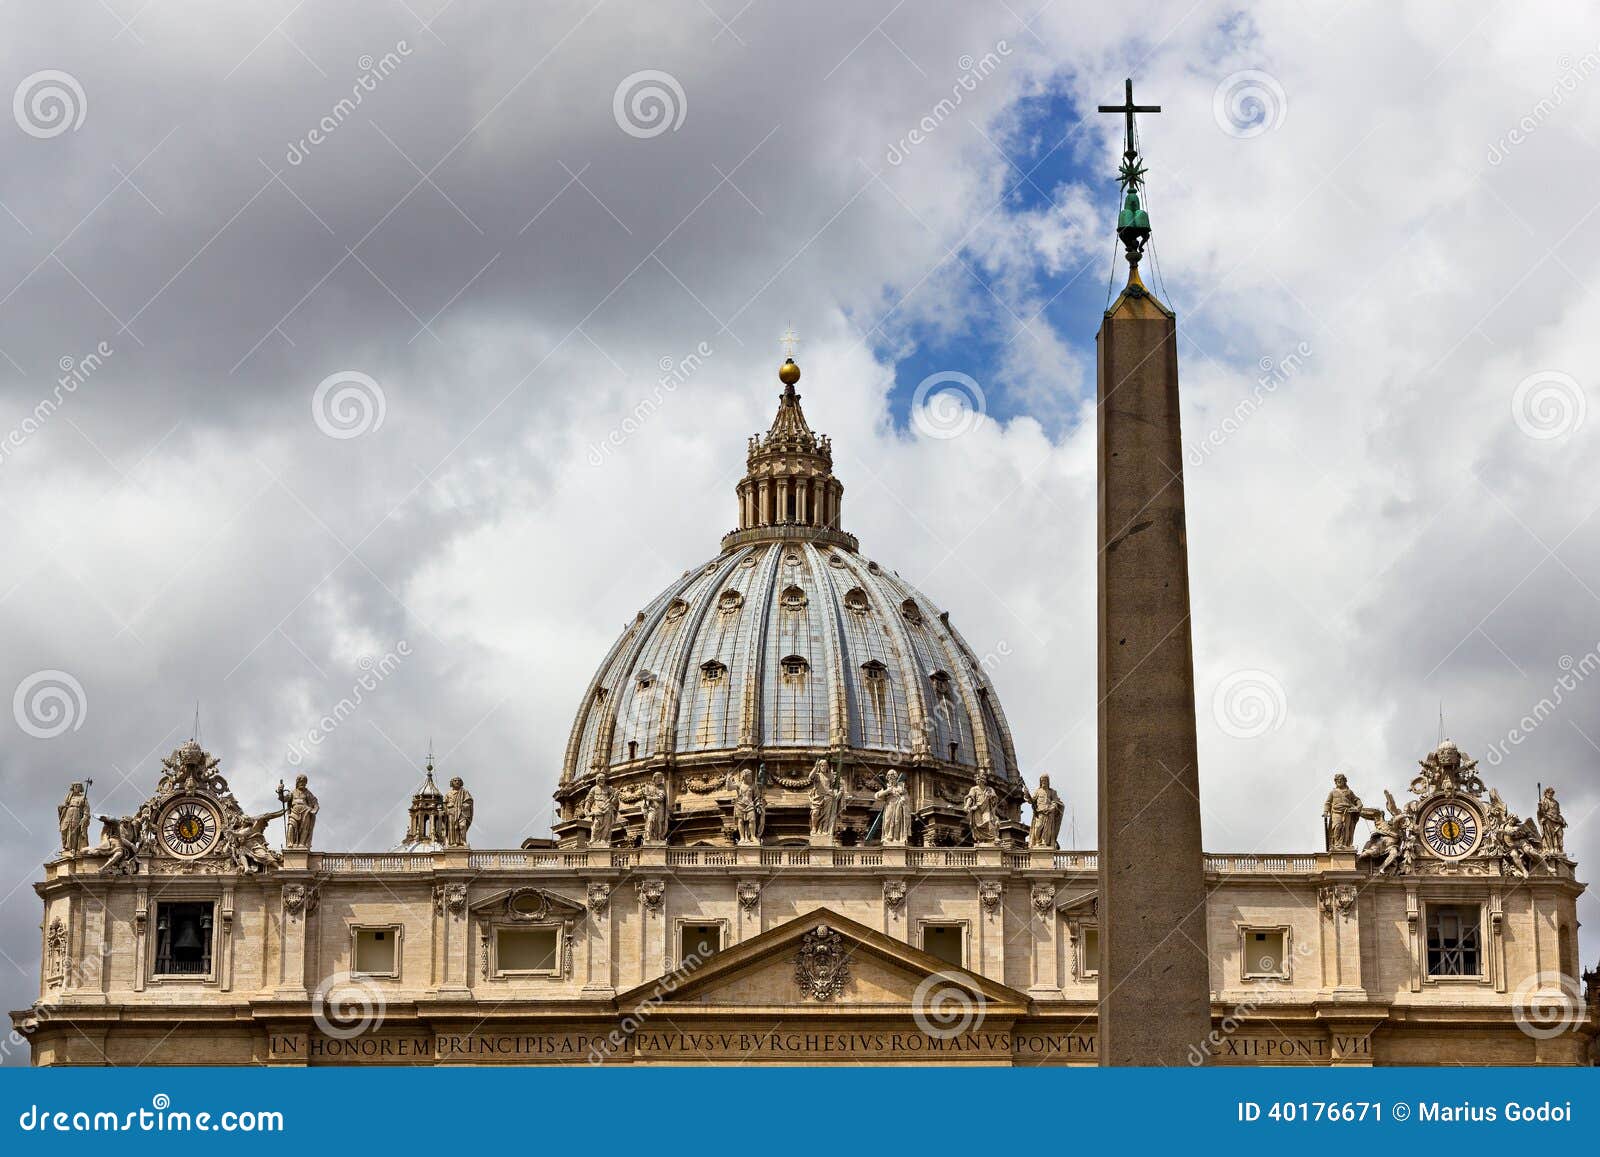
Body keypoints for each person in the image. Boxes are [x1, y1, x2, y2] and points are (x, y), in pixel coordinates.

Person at [1322, 773, 1363, 851]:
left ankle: (1344, 845)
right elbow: (1327, 802)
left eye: (1341, 779)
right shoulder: (1333, 792)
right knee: (1337, 826)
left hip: (1347, 812)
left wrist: (1358, 807)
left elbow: (1357, 800)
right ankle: (1336, 844)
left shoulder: (1349, 792)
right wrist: (1325, 811)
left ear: (1344, 781)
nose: (1339, 781)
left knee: (1345, 829)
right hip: (1336, 812)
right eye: (1337, 780)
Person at [807, 758, 843, 841]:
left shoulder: (830, 776)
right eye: (822, 765)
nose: (824, 767)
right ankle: (814, 828)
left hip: (828, 797)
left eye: (826, 765)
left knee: (826, 816)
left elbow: (838, 785)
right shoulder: (817, 775)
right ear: (819, 766)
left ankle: (823, 830)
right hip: (817, 797)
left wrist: (840, 792)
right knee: (815, 813)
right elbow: (810, 777)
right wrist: (815, 767)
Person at [1025, 774, 1064, 849]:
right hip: (1040, 812)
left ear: (1048, 782)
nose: (1044, 782)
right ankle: (1037, 842)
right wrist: (1027, 794)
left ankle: (1044, 843)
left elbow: (1055, 802)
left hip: (1049, 813)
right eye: (1042, 780)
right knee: (1038, 827)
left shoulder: (1052, 792)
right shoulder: (1038, 791)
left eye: (1045, 780)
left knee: (1047, 830)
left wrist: (1051, 808)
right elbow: (1031, 800)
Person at [280, 774, 319, 849]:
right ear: (297, 782)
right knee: (291, 826)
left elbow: (315, 803)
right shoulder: (293, 792)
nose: (302, 783)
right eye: (301, 782)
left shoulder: (308, 793)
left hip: (306, 811)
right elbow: (283, 799)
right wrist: (280, 791)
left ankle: (302, 844)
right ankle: (290, 844)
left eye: (304, 782)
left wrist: (314, 810)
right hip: (294, 812)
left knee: (304, 829)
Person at [583, 772, 619, 847]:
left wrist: (615, 796)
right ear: (597, 780)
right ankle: (594, 839)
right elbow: (589, 800)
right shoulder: (594, 789)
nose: (602, 781)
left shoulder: (609, 789)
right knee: (596, 824)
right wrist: (586, 808)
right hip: (597, 809)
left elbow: (614, 801)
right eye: (601, 780)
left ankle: (603, 839)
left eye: (603, 780)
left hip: (607, 808)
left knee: (606, 825)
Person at [963, 768, 998, 844]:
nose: (978, 781)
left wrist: (991, 797)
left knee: (988, 821)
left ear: (984, 780)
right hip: (977, 808)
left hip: (987, 808)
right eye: (977, 779)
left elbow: (995, 800)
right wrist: (967, 805)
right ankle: (981, 840)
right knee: (978, 825)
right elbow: (970, 797)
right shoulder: (974, 789)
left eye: (980, 779)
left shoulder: (989, 789)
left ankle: (992, 838)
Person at [875, 770, 910, 846]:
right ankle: (887, 836)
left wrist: (903, 799)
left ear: (896, 777)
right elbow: (877, 796)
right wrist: (887, 791)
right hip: (889, 806)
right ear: (887, 777)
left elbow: (906, 797)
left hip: (898, 806)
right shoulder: (886, 786)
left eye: (892, 776)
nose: (891, 777)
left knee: (897, 821)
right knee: (887, 821)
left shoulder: (901, 786)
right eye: (889, 776)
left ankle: (896, 838)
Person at [58, 782, 91, 854]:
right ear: (73, 787)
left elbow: (86, 809)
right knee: (64, 829)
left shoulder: (83, 798)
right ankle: (65, 847)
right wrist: (61, 807)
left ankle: (73, 848)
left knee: (74, 830)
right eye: (76, 786)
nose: (77, 787)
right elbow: (65, 805)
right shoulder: (69, 797)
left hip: (76, 813)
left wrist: (85, 816)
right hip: (68, 813)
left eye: (79, 786)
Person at [442, 777, 474, 847]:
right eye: (455, 780)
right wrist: (446, 809)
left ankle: (463, 841)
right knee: (453, 827)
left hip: (462, 811)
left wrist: (463, 806)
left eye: (459, 780)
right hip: (451, 811)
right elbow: (444, 803)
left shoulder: (464, 792)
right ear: (452, 783)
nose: (457, 782)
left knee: (462, 826)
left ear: (461, 782)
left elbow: (469, 801)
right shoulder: (448, 794)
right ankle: (453, 842)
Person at [639, 772, 669, 843]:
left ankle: (658, 837)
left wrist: (650, 798)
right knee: (650, 820)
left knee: (659, 823)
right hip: (651, 808)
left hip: (660, 808)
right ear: (655, 778)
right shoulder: (648, 787)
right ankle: (649, 837)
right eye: (659, 778)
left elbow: (661, 798)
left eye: (661, 779)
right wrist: (646, 800)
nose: (661, 780)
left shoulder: (662, 787)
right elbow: (645, 799)